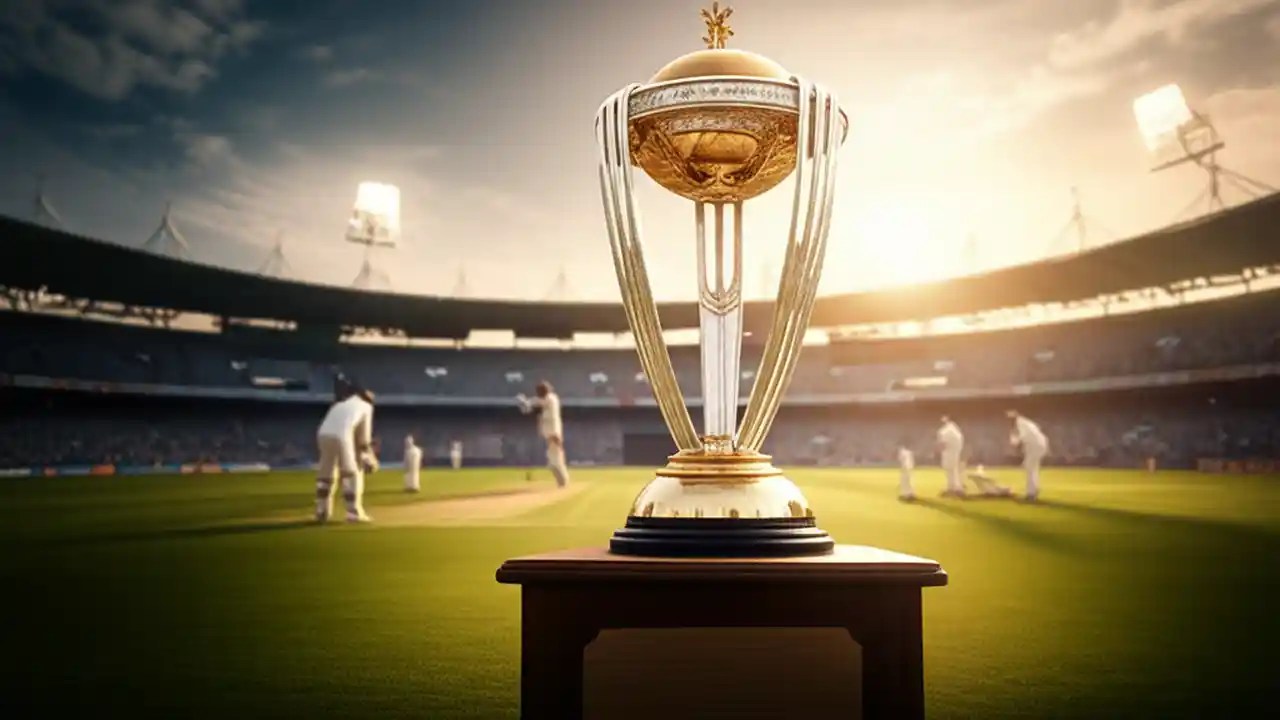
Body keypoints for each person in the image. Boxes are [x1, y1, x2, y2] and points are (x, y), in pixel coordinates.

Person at [315, 377, 376, 523]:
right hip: (341, 435)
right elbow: (363, 439)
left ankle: (321, 512)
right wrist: (368, 458)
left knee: (326, 474)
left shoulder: (339, 404)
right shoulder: (366, 407)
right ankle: (354, 513)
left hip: (323, 434)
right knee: (351, 473)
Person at [517, 381, 570, 488]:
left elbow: (536, 402)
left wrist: (525, 401)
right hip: (552, 432)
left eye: (539, 391)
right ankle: (563, 481)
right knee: (555, 458)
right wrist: (526, 404)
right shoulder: (551, 398)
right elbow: (535, 406)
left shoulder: (549, 399)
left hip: (553, 432)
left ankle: (563, 481)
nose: (538, 393)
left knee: (554, 460)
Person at [1008, 409, 1048, 501]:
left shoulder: (1019, 424)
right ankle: (1035, 490)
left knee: (1029, 468)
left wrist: (1014, 442)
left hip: (1035, 446)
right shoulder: (1026, 422)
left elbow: (1018, 439)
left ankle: (1031, 494)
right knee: (1032, 468)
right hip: (1040, 444)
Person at [937, 415, 965, 497]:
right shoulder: (956, 430)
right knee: (955, 470)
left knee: (950, 471)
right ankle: (956, 488)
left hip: (949, 452)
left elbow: (943, 443)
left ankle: (952, 489)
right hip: (956, 452)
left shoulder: (946, 431)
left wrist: (939, 451)